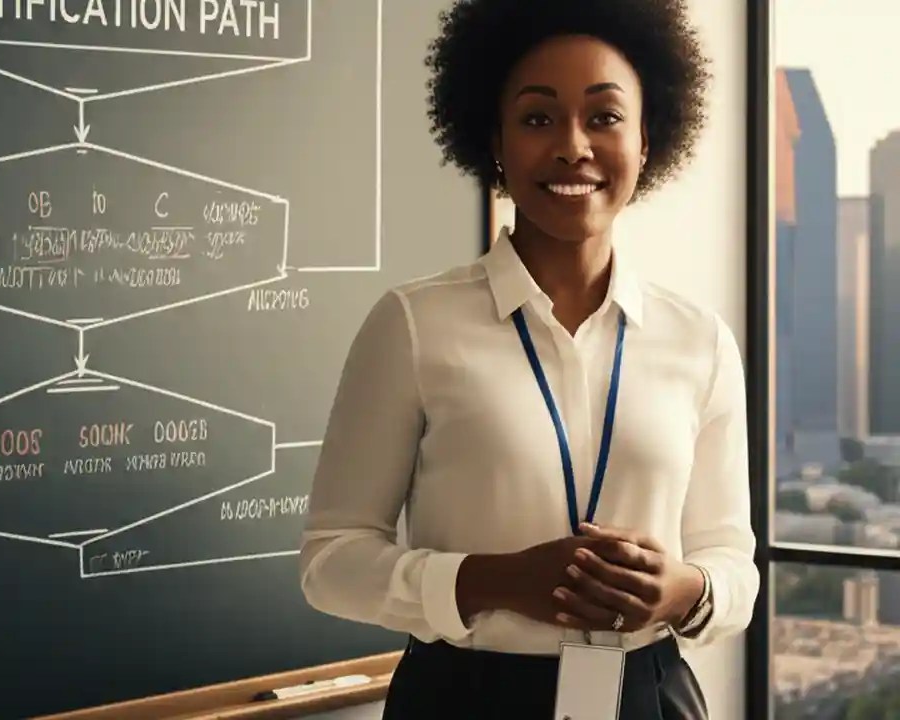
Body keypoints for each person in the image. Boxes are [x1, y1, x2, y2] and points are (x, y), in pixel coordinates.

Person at [298, 0, 759, 716]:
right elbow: (330, 563)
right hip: (464, 698)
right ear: (495, 143)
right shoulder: (414, 325)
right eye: (538, 119)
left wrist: (681, 591)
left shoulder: (700, 339)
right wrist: (495, 581)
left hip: (651, 694)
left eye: (604, 117)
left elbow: (733, 564)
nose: (573, 146)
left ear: (646, 140)